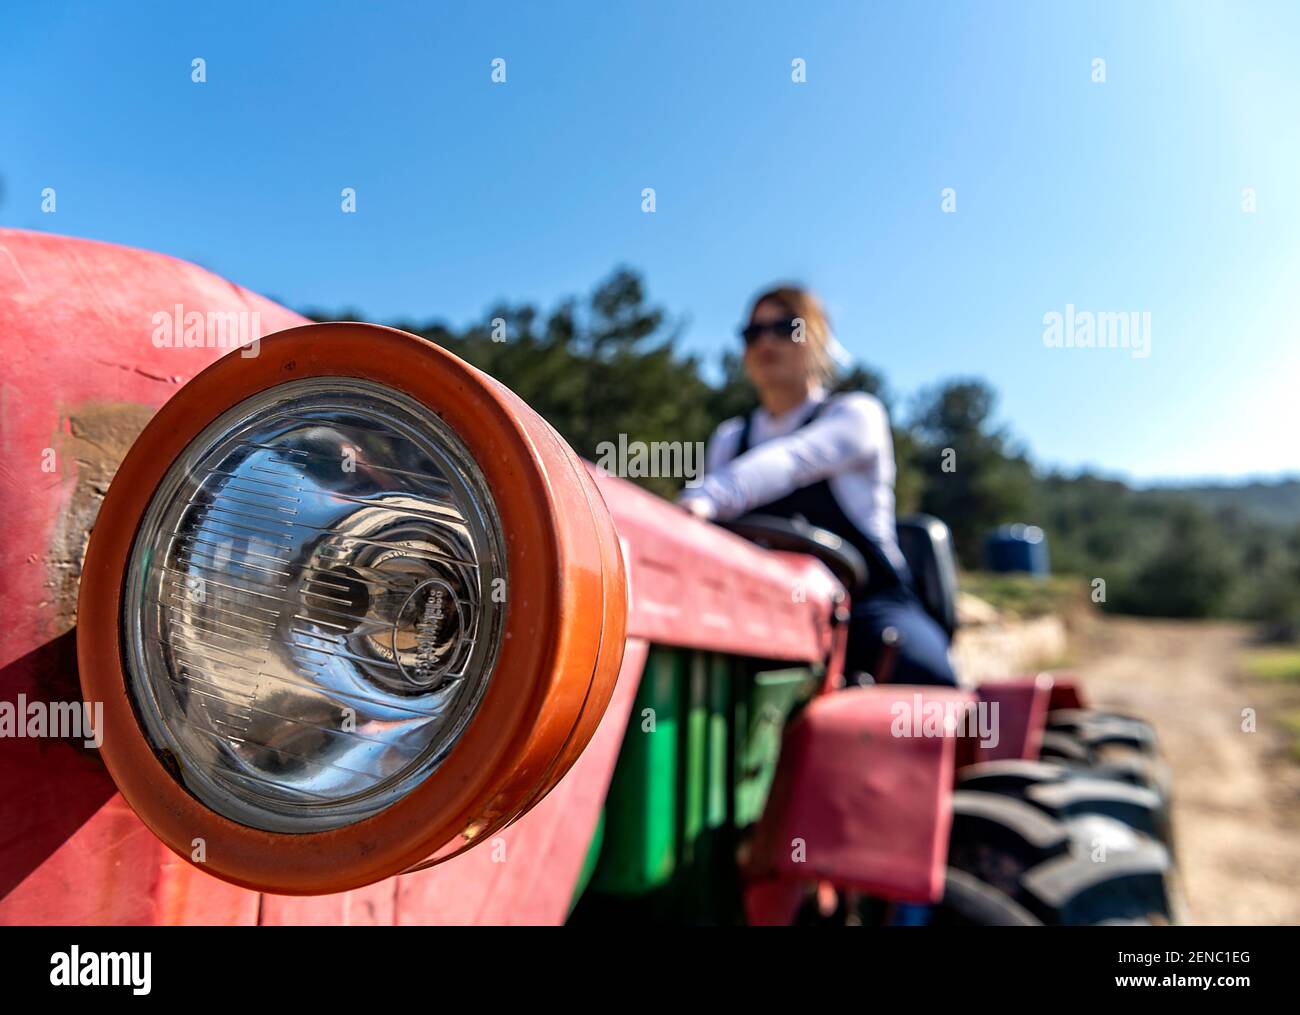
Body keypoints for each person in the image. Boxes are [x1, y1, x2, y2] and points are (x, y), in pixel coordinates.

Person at [677, 285, 957, 687]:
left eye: (784, 327)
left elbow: (791, 461)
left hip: (867, 611)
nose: (767, 341)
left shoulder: (856, 414)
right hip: (757, 612)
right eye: (753, 333)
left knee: (924, 677)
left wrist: (702, 500)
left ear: (817, 337)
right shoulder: (729, 437)